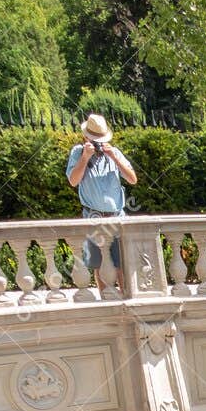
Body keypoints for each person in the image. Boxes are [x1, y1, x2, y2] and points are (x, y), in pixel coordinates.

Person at [65, 114, 138, 296]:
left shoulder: (114, 153)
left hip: (116, 216)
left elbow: (132, 179)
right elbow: (73, 181)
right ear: (86, 138)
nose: (98, 144)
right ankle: (106, 299)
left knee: (121, 263)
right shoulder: (78, 152)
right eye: (94, 140)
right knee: (99, 264)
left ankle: (125, 299)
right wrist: (85, 157)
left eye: (100, 140)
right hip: (93, 216)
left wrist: (114, 156)